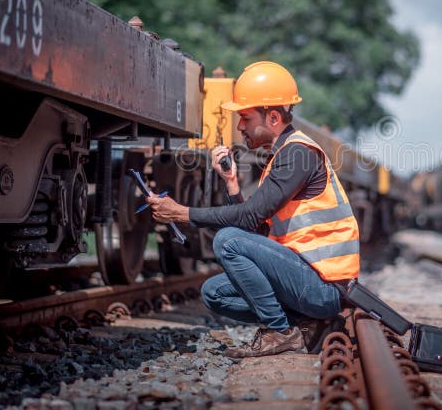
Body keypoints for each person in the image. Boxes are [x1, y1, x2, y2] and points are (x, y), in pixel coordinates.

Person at [146, 61, 359, 357]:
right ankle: (306, 327)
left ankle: (280, 332)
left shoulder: (298, 153)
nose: (239, 127)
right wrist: (232, 182)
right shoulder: (283, 156)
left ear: (273, 117)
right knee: (214, 293)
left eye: (245, 117)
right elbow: (257, 230)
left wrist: (182, 213)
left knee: (227, 241)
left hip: (325, 285)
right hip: (307, 276)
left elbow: (245, 221)